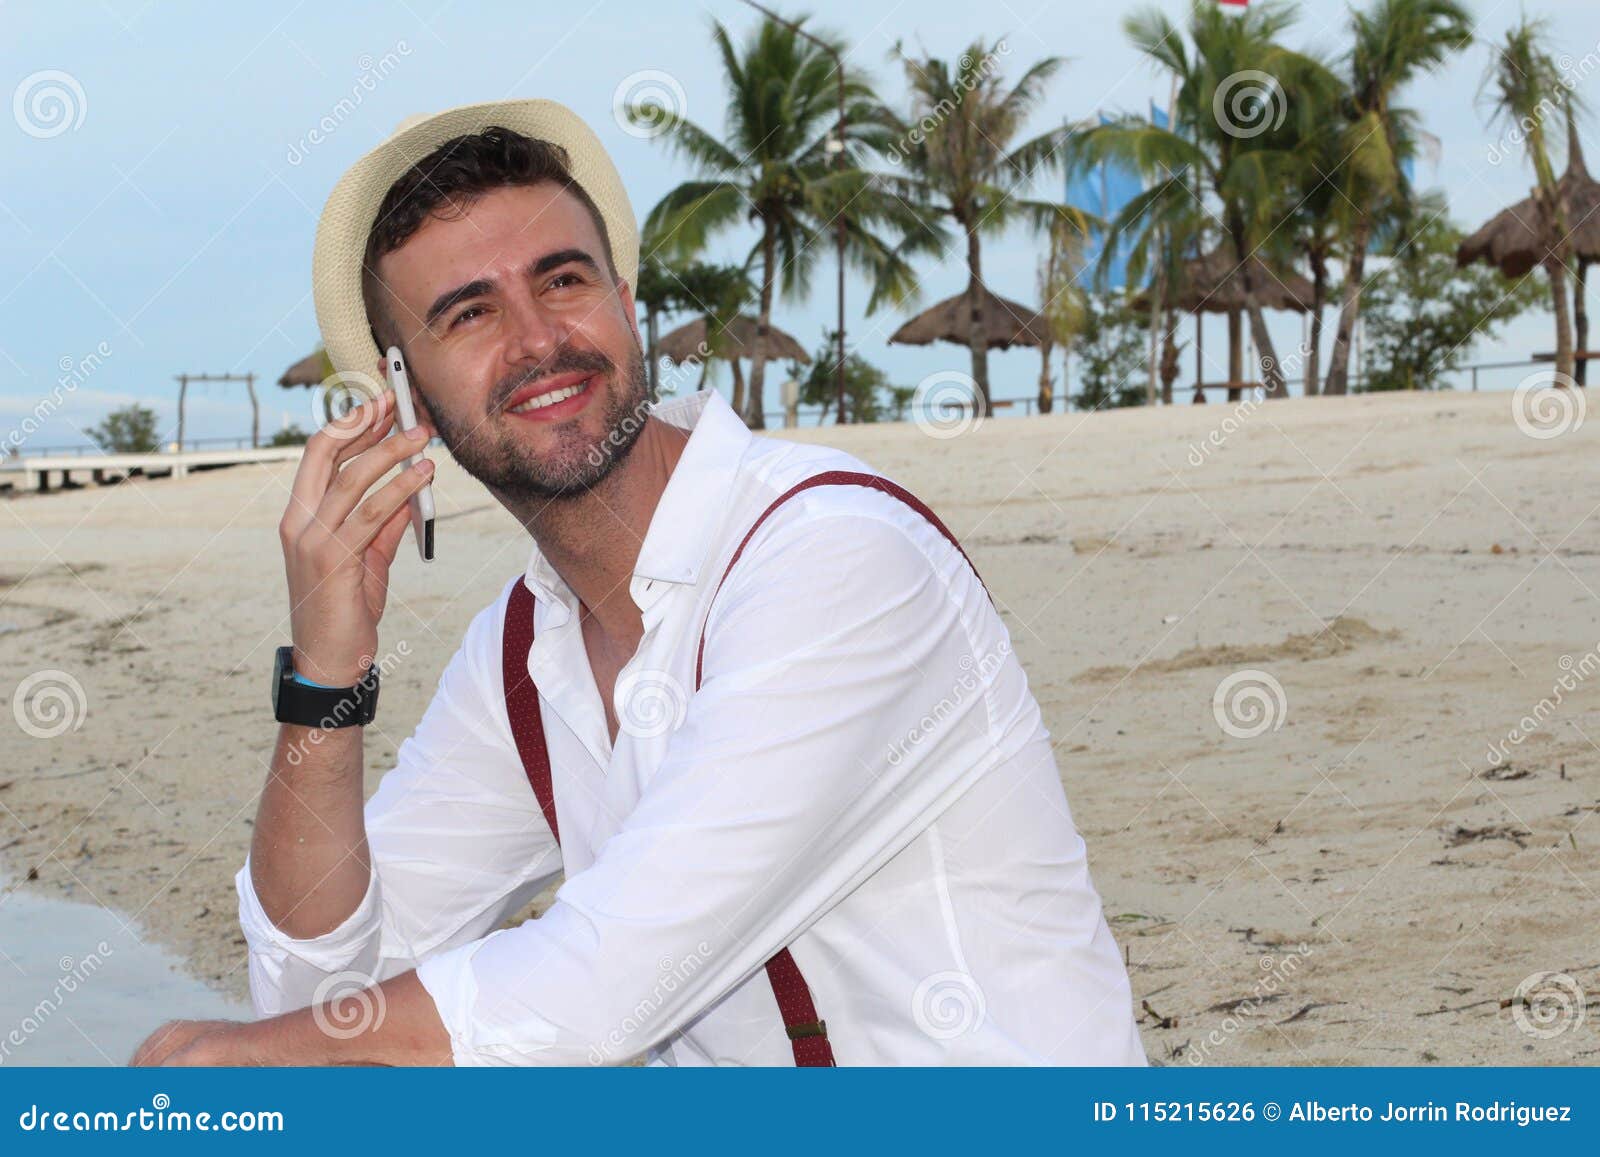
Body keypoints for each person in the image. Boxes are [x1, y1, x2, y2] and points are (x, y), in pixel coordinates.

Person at [131, 99, 1144, 1067]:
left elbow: (609, 982)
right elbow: (319, 991)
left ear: (625, 304)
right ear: (409, 402)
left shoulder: (834, 554)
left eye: (563, 280)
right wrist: (325, 678)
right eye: (470, 312)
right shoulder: (522, 653)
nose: (538, 340)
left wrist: (246, 1055)